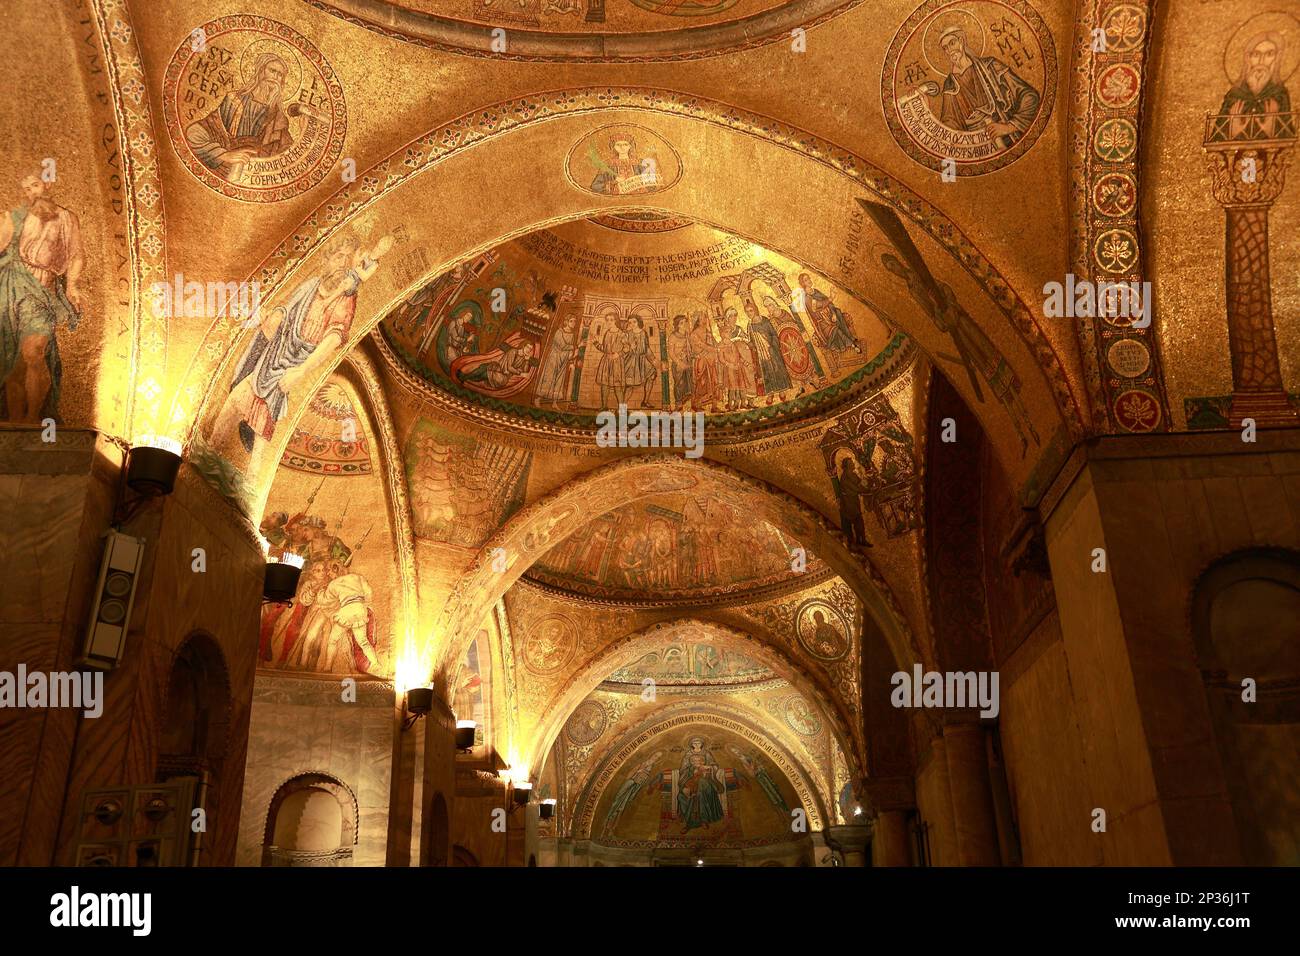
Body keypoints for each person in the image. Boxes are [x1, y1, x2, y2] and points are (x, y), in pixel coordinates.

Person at [0, 174, 84, 422]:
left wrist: (73, 286)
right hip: (12, 290)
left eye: (35, 185)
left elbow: (76, 255)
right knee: (13, 365)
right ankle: (16, 425)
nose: (32, 192)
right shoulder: (16, 216)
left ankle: (34, 419)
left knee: (33, 352)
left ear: (47, 184)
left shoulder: (67, 218)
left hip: (43, 294)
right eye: (26, 188)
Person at [185, 53, 298, 184]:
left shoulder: (279, 119)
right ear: (260, 72)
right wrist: (223, 155)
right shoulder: (234, 101)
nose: (276, 77)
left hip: (255, 178)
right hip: (223, 171)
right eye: (272, 71)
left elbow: (286, 155)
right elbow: (196, 132)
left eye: (280, 75)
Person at [835, 456, 872, 548]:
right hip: (848, 503)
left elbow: (859, 482)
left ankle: (861, 540)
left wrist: (866, 481)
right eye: (850, 464)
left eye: (852, 463)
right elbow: (855, 488)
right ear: (846, 466)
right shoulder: (844, 477)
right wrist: (864, 489)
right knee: (856, 520)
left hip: (854, 501)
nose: (852, 465)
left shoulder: (852, 474)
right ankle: (856, 541)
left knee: (859, 521)